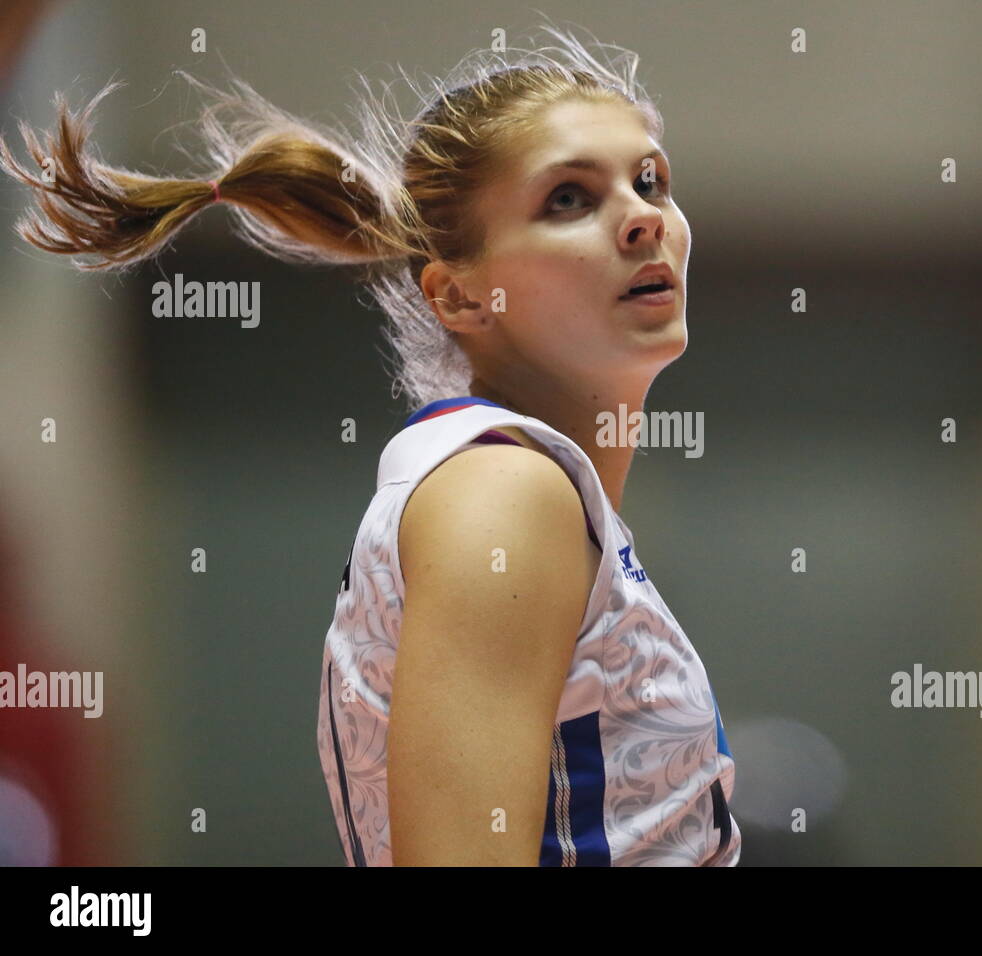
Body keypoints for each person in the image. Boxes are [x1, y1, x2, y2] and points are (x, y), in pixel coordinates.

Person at [0, 21, 740, 867]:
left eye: (650, 180)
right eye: (569, 198)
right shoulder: (504, 492)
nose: (643, 217)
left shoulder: (525, 488)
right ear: (460, 296)